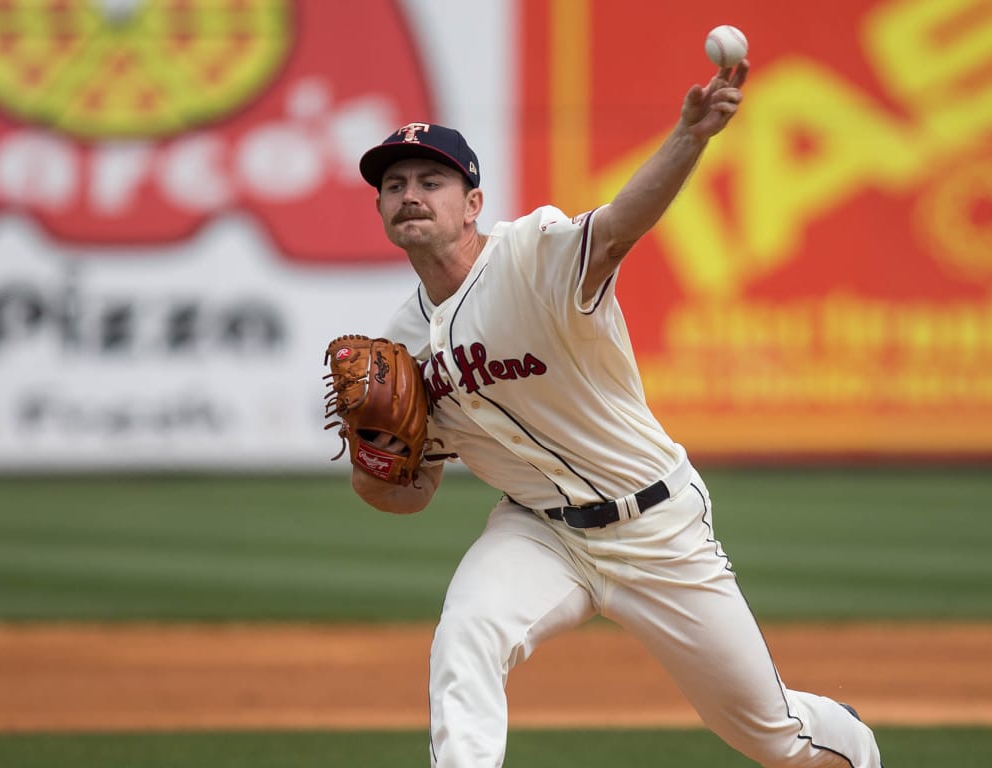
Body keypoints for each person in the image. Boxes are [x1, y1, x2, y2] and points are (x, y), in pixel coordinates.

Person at [348, 59, 884, 767]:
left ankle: (852, 744)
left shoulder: (531, 256)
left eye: (430, 181)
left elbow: (619, 227)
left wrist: (690, 138)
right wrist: (375, 462)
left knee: (770, 736)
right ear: (382, 208)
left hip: (656, 527)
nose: (409, 195)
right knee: (467, 636)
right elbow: (410, 494)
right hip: (539, 531)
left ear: (472, 202)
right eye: (394, 186)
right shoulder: (402, 347)